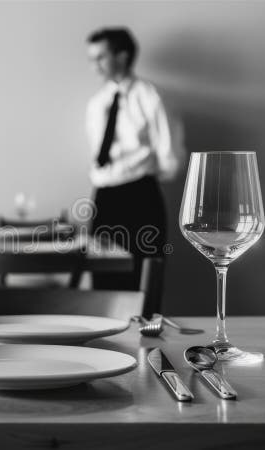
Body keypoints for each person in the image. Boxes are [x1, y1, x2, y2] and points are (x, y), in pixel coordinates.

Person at [85, 27, 184, 289]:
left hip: (140, 195)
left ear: (122, 56)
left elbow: (169, 149)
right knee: (104, 277)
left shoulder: (150, 97)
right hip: (104, 199)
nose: (95, 66)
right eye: (91, 59)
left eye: (100, 57)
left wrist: (146, 177)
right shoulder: (97, 104)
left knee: (143, 275)